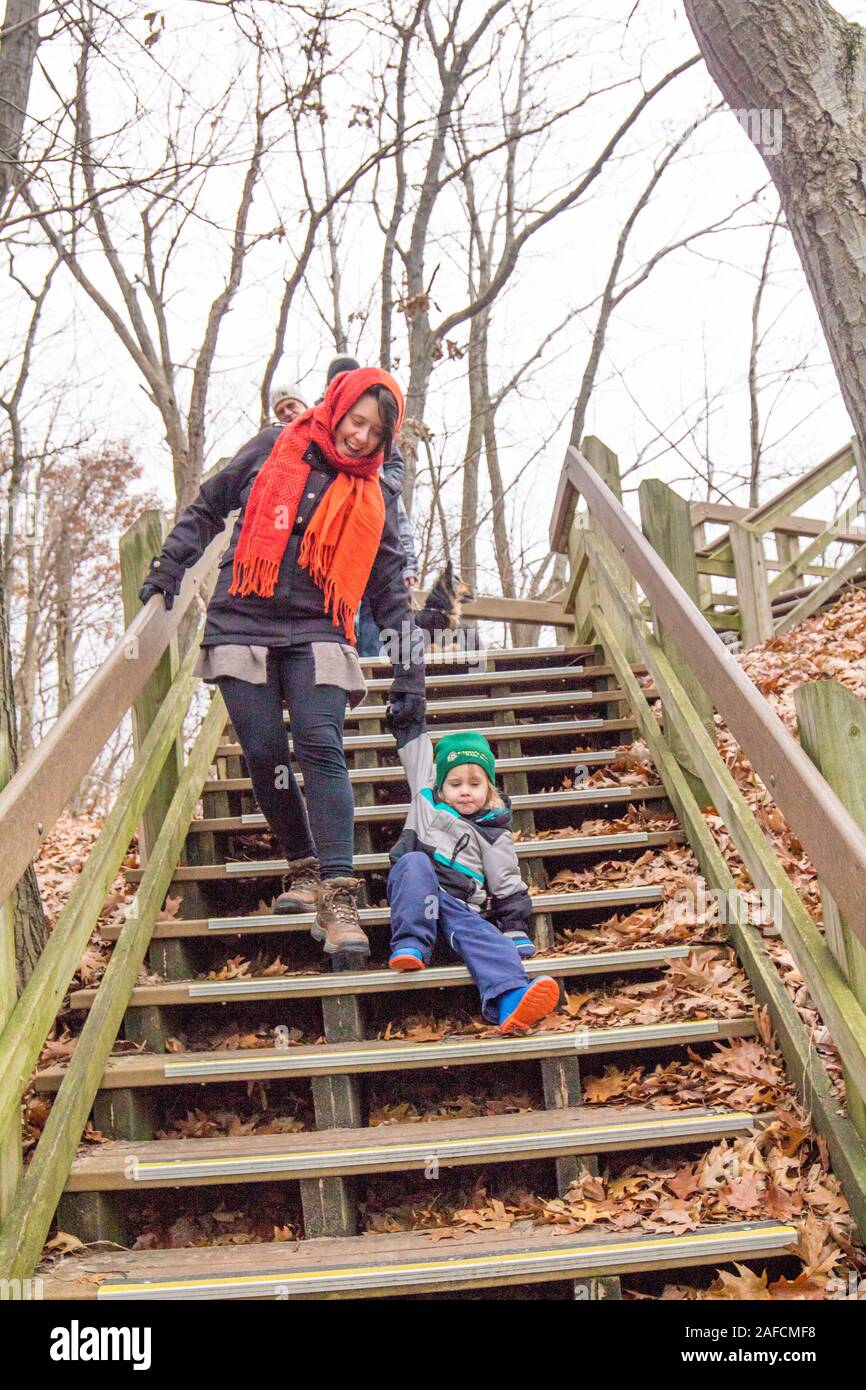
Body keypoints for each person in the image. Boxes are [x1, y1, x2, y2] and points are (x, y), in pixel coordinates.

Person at [138, 367, 426, 967]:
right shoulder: (274, 446)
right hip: (243, 615)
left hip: (321, 625)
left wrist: (409, 670)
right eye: (356, 421)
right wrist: (170, 567)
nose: (360, 438)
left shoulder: (376, 495)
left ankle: (341, 898)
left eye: (376, 432)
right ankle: (304, 866)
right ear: (337, 408)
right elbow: (210, 506)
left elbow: (391, 587)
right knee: (266, 752)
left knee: (320, 744)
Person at [385, 714, 560, 1035]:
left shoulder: (494, 830)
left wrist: (514, 929)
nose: (465, 792)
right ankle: (410, 943)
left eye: (474, 784)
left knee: (482, 931)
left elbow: (506, 881)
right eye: (455, 784)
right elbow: (411, 739)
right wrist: (408, 688)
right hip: (415, 904)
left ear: (489, 787)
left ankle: (510, 998)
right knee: (413, 862)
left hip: (458, 919)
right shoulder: (424, 801)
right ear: (439, 785)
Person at [323, 356, 418, 657]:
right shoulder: (321, 428)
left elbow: (397, 517)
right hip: (332, 539)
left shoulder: (381, 469)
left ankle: (368, 662)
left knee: (372, 604)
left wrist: (410, 562)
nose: (363, 435)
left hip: (369, 524)